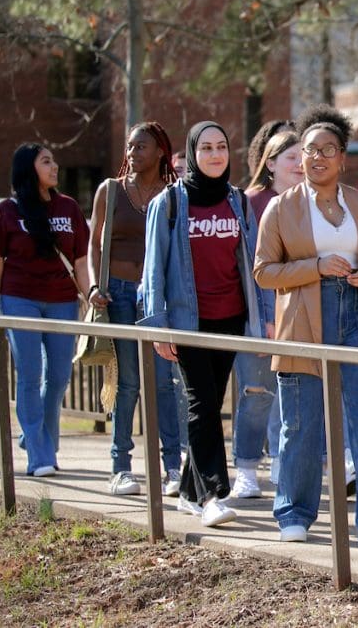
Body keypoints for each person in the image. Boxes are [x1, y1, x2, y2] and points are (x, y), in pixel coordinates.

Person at [254, 104, 358, 548]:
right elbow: (264, 272)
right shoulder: (280, 210)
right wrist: (316, 266)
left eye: (328, 149)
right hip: (303, 318)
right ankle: (294, 513)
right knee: (301, 424)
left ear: (343, 157)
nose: (318, 157)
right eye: (309, 150)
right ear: (299, 157)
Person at [139, 121, 270, 528]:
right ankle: (214, 493)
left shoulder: (237, 201)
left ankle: (187, 490)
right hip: (187, 320)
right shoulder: (170, 202)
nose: (215, 154)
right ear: (192, 153)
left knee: (210, 403)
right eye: (206, 147)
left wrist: (260, 317)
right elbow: (153, 268)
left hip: (230, 317)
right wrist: (158, 324)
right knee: (202, 402)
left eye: (221, 146)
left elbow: (252, 263)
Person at [87, 122, 183, 497]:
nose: (132, 153)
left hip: (156, 298)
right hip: (119, 295)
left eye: (140, 146)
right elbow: (95, 244)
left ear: (160, 151)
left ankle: (172, 466)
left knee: (162, 383)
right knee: (127, 383)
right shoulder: (109, 191)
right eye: (129, 146)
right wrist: (95, 285)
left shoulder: (173, 194)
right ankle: (121, 467)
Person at [0, 143, 90, 477]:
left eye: (54, 161)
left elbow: (79, 261)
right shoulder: (8, 211)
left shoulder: (68, 207)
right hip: (19, 297)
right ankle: (40, 455)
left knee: (59, 377)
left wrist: (89, 293)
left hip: (63, 300)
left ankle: (37, 437)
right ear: (28, 168)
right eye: (47, 161)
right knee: (30, 374)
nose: (55, 167)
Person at [228, 129, 304, 499]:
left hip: (300, 314)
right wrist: (263, 315)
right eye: (292, 156)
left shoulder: (311, 201)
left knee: (291, 394)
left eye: (305, 155)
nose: (301, 163)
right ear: (270, 163)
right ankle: (245, 469)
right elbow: (246, 265)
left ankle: (280, 462)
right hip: (259, 316)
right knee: (257, 392)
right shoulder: (251, 202)